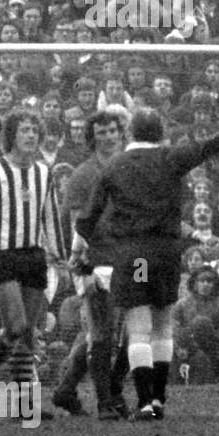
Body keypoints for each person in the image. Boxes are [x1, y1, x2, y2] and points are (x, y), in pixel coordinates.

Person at [73, 106, 219, 419]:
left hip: (134, 254)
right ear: (160, 134)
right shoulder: (172, 157)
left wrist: (78, 251)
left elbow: (87, 219)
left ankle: (143, 402)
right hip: (167, 254)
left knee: (139, 331)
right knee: (163, 328)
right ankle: (158, 401)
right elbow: (218, 142)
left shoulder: (114, 166)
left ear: (131, 133)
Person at [0, 108, 67, 410]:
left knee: (25, 331)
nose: (30, 136)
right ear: (11, 135)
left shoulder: (43, 172)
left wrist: (60, 259)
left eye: (34, 131)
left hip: (34, 256)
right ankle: (24, 402)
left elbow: (50, 217)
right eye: (24, 130)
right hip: (4, 255)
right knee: (17, 327)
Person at [53, 108, 131, 419]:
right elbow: (76, 223)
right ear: (92, 137)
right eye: (101, 132)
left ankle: (66, 389)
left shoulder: (129, 167)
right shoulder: (83, 175)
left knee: (133, 331)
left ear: (121, 133)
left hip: (128, 257)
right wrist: (80, 258)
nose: (108, 137)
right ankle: (106, 401)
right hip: (92, 259)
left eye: (113, 131)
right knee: (101, 331)